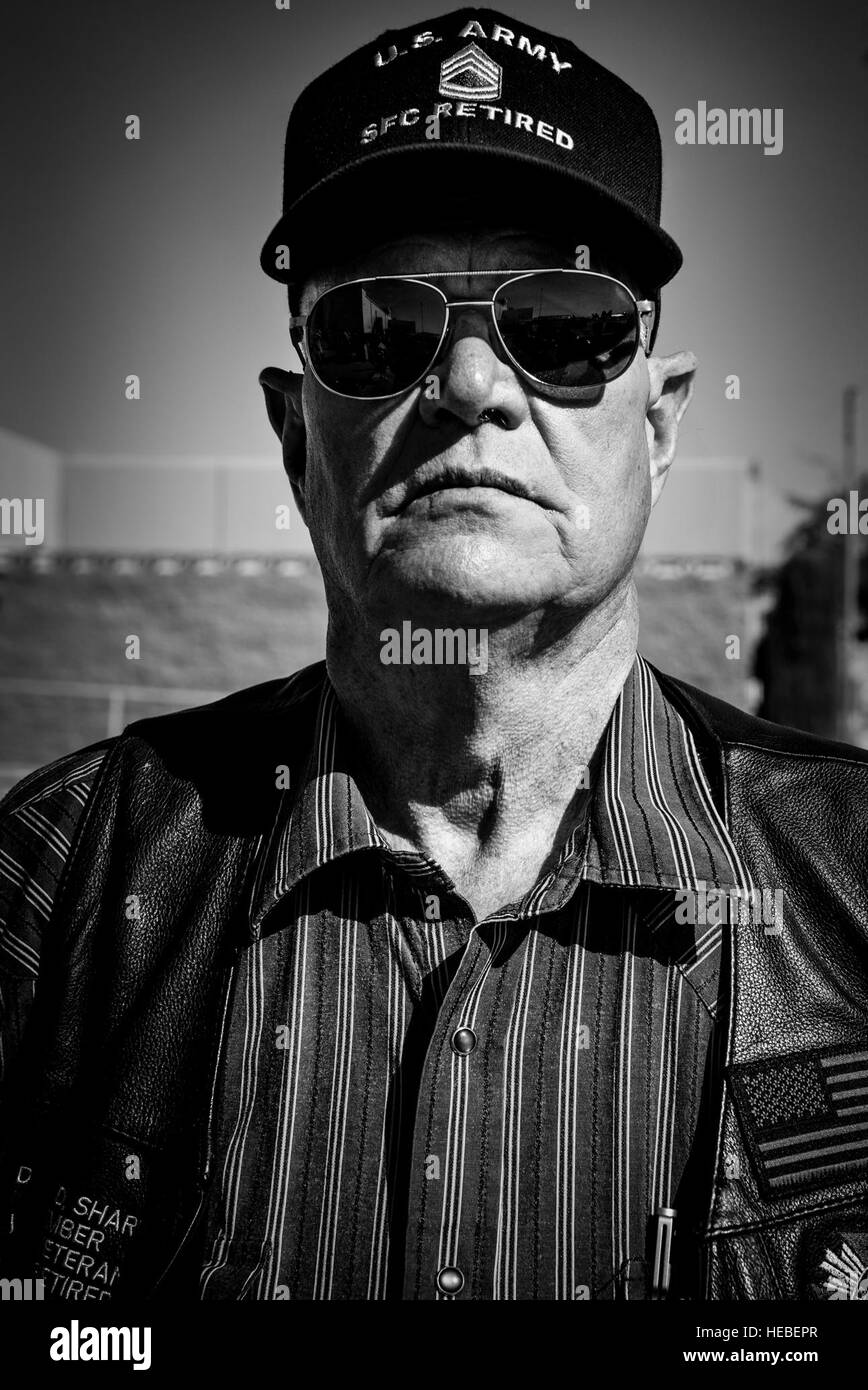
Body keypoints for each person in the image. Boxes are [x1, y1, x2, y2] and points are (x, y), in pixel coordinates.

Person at [1, 6, 867, 1303]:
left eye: (567, 322)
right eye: (376, 328)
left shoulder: (853, 878)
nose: (469, 383)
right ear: (298, 436)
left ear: (663, 423)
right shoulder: (53, 887)